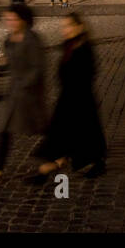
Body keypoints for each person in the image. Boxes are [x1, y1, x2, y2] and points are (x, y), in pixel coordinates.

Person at [31, 12, 107, 181]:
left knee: (83, 132)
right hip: (67, 96)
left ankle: (95, 162)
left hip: (80, 98)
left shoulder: (85, 48)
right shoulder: (69, 45)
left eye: (68, 26)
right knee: (66, 132)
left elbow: (89, 73)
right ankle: (52, 165)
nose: (64, 30)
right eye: (63, 26)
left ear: (79, 27)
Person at [0, 3, 48, 185]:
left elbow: (38, 68)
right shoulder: (8, 39)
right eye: (8, 19)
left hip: (29, 96)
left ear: (24, 20)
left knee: (41, 128)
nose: (9, 22)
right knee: (3, 130)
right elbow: (10, 62)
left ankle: (58, 155)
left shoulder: (32, 40)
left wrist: (25, 83)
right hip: (12, 94)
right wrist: (1, 69)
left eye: (13, 18)